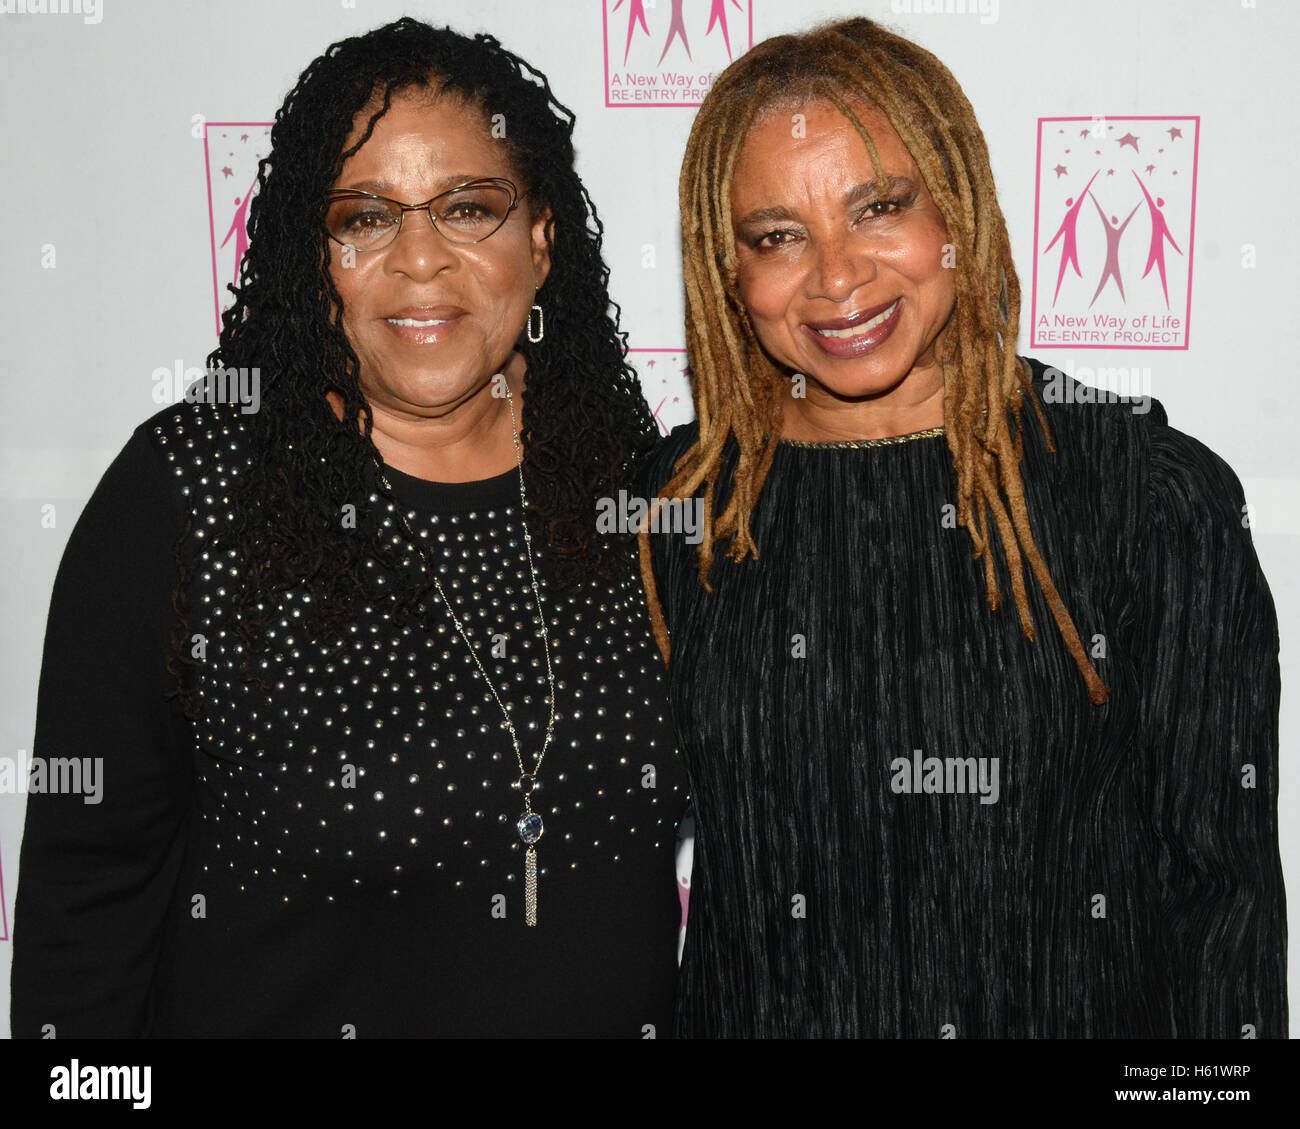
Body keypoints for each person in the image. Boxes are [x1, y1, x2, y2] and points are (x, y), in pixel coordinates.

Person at [11, 18, 687, 1038]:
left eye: (469, 207)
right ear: (308, 256)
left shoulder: (641, 501)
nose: (420, 259)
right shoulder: (191, 493)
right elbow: (85, 905)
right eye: (365, 218)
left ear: (541, 237)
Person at [640, 16, 1286, 1038]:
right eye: (776, 235)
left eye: (879, 207)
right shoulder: (670, 511)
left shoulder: (1144, 497)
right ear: (728, 271)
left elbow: (1223, 909)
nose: (836, 275)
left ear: (959, 212)